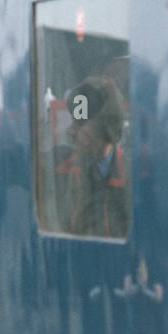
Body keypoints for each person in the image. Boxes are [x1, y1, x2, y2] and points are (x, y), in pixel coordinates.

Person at [57, 76, 129, 237]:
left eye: (80, 123)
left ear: (107, 127)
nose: (71, 130)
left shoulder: (134, 181)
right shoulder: (61, 170)